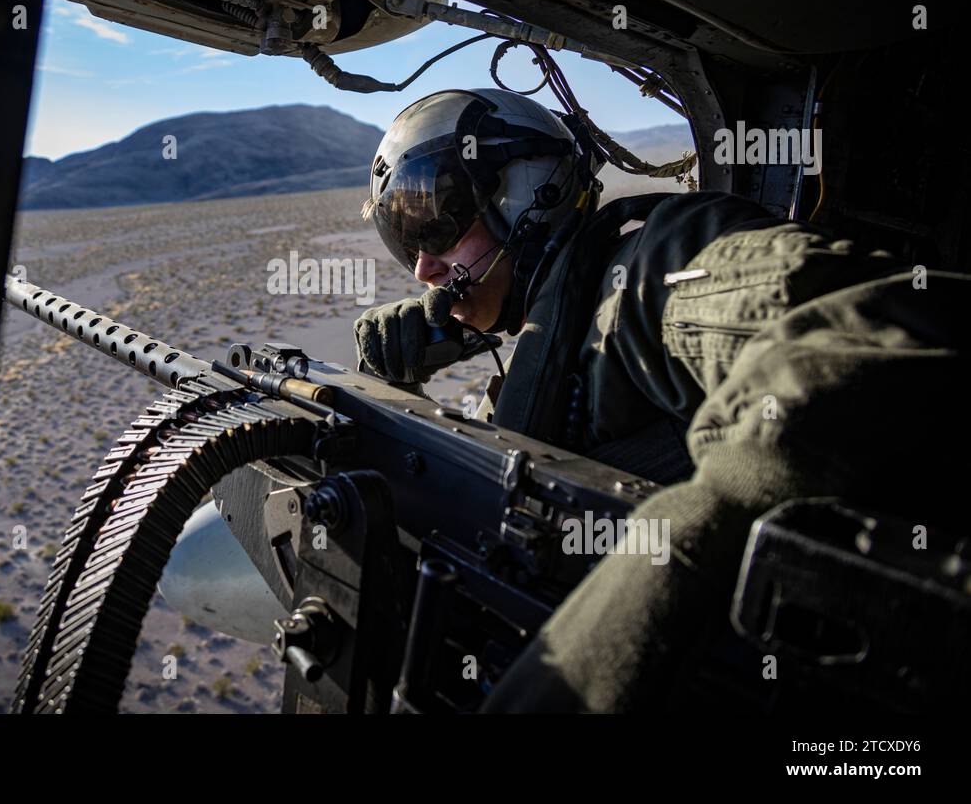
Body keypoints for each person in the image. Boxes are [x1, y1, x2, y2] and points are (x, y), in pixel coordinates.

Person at [354, 87, 969, 711]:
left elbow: (878, 333)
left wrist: (702, 531)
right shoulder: (555, 340)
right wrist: (393, 391)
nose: (425, 269)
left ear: (526, 195)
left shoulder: (653, 273)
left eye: (436, 227)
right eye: (407, 243)